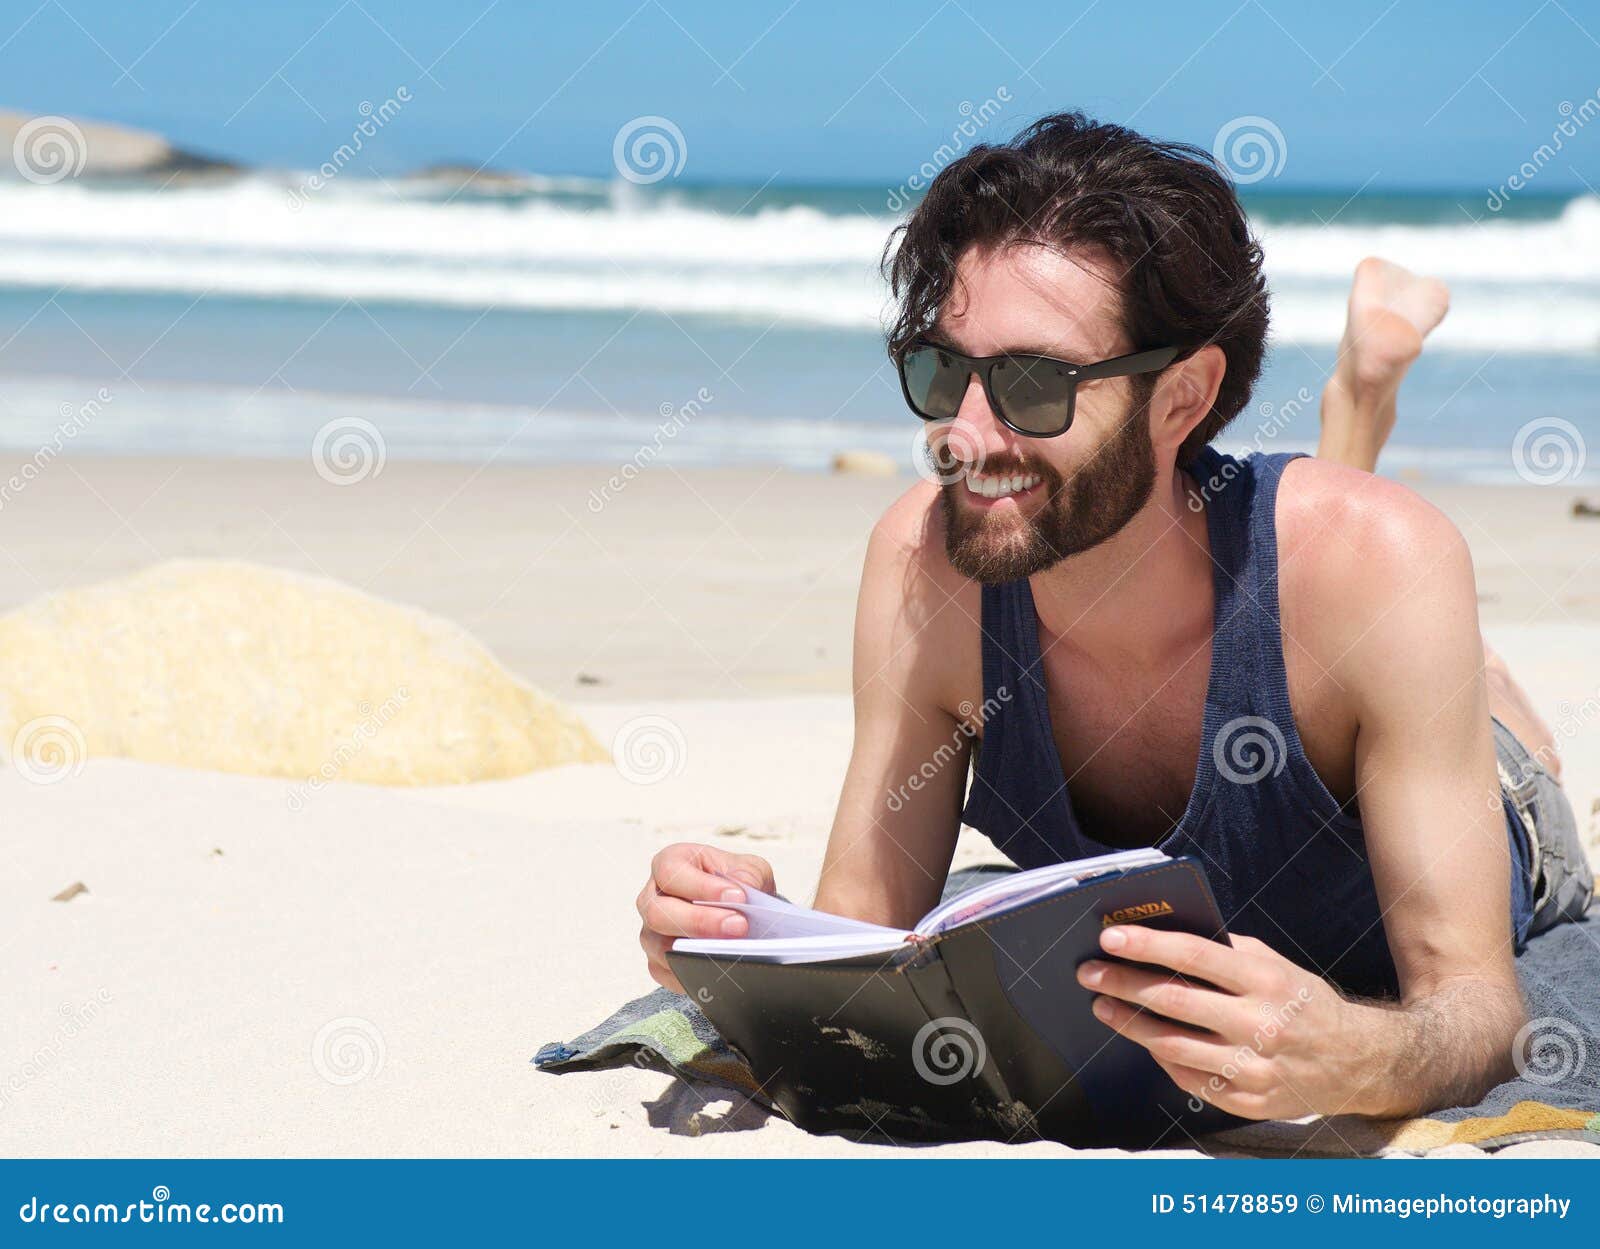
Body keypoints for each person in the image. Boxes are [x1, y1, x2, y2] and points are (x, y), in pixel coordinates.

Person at [636, 112, 1593, 1123]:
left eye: (1030, 386)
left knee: (1405, 634)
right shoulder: (925, 568)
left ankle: (1370, 431)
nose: (960, 437)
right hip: (1292, 605)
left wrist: (1356, 1056)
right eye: (940, 370)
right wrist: (731, 936)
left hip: (1494, 796)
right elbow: (859, 939)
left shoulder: (1388, 562)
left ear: (1182, 394)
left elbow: (1478, 1010)